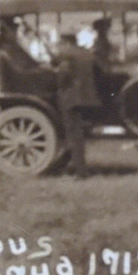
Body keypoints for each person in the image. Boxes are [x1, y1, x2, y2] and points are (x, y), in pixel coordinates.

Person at [53, 30, 101, 179]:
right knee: (78, 134)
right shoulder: (87, 53)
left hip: (71, 99)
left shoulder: (66, 54)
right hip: (88, 99)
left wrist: (58, 86)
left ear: (65, 42)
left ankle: (81, 172)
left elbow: (63, 75)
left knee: (73, 135)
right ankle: (63, 165)